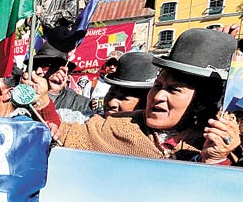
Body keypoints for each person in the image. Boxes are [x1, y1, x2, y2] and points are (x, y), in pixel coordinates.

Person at [59, 29, 240, 164]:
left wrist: (215, 160)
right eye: (158, 86)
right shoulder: (122, 126)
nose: (158, 96)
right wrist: (42, 102)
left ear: (202, 101)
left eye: (174, 90)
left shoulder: (218, 145)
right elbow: (61, 134)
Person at [33, 42, 92, 114]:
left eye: (45, 66)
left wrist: (53, 93)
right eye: (35, 66)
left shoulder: (82, 104)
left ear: (63, 71)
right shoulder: (25, 96)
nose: (38, 71)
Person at [102, 52, 157, 117]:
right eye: (111, 94)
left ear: (146, 103)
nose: (111, 103)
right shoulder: (93, 125)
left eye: (123, 98)